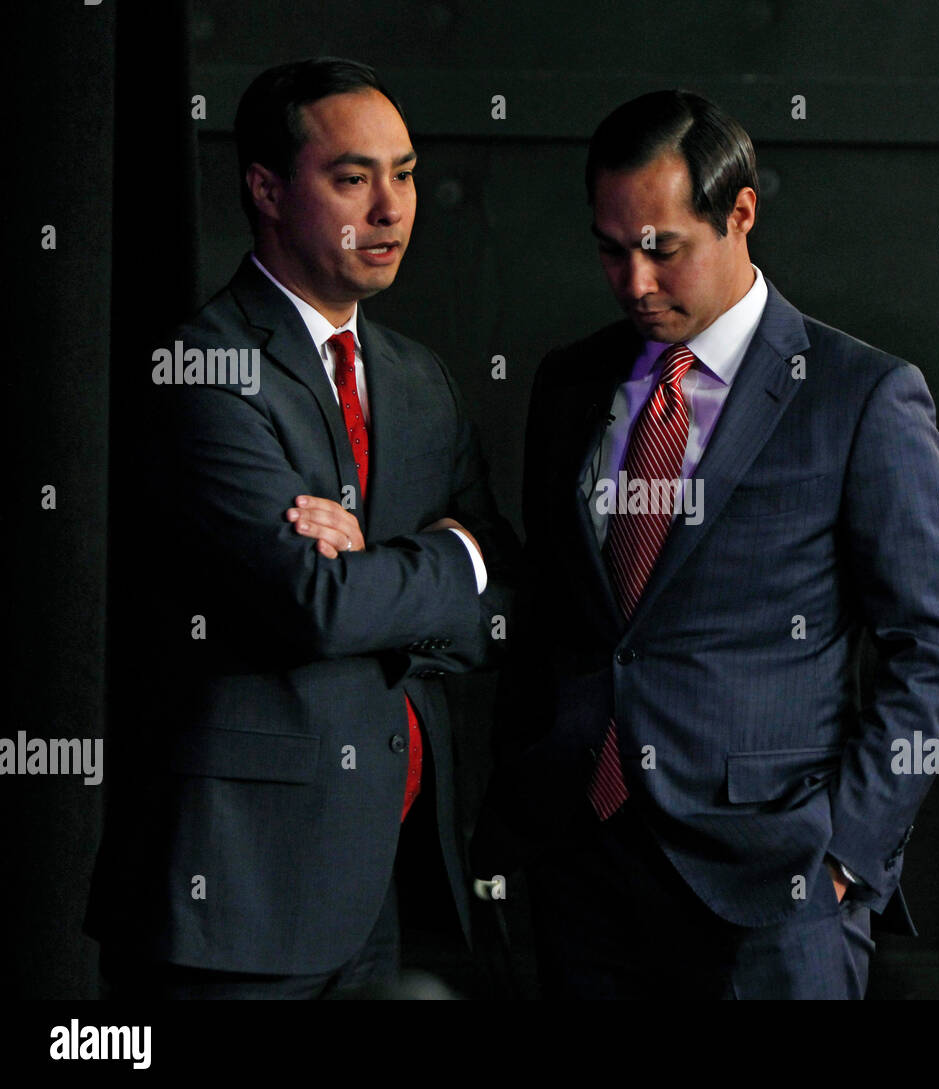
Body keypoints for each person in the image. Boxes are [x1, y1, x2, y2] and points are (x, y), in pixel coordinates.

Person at [472, 90, 939, 999]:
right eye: (611, 248)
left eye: (663, 247)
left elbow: (935, 646)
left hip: (774, 889)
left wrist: (846, 858)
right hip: (582, 875)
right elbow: (558, 612)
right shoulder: (571, 382)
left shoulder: (861, 396)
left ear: (740, 213)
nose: (634, 282)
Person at [85, 57, 517, 998]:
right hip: (231, 904)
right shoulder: (201, 369)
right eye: (353, 177)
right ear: (268, 191)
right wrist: (448, 558)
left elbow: (503, 610)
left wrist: (387, 571)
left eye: (403, 174)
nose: (393, 207)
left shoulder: (418, 380)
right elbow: (314, 605)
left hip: (382, 892)